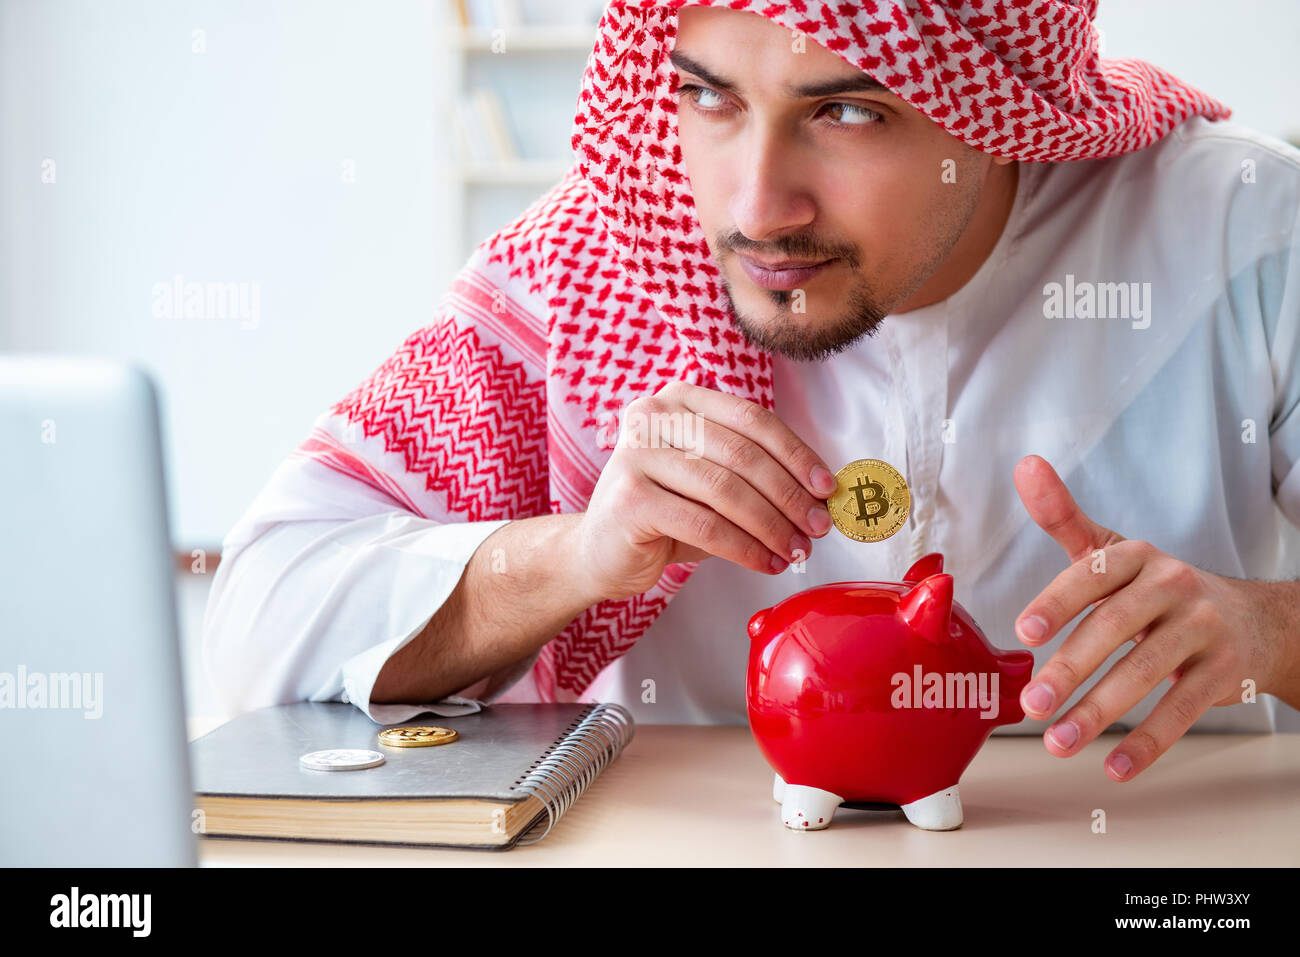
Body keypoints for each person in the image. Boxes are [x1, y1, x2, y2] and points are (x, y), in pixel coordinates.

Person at [202, 0, 1300, 783]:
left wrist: (1264, 631)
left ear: (997, 109)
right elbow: (258, 630)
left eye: (847, 113)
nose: (757, 205)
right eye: (708, 99)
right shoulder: (591, 265)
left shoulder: (1245, 231)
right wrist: (577, 555)